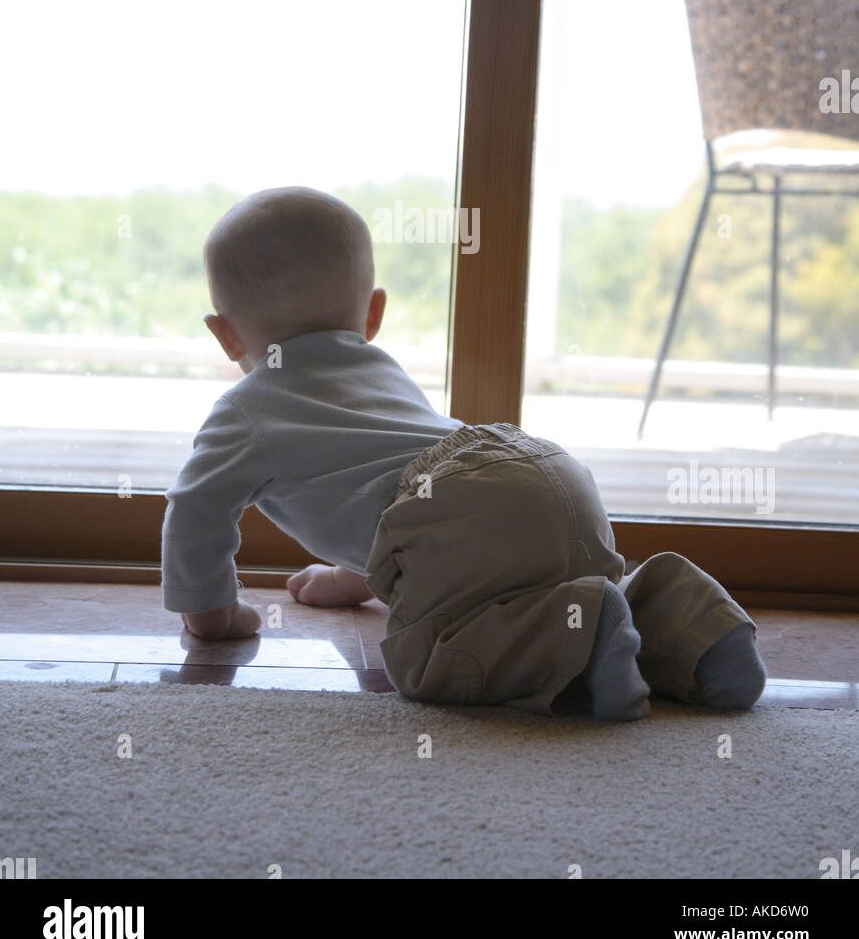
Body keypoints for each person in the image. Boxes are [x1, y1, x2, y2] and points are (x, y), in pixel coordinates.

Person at [161, 187, 766, 720]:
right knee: (562, 585)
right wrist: (351, 581)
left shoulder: (246, 409)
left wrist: (211, 615)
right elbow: (390, 484)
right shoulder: (380, 371)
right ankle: (689, 623)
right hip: (537, 468)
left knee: (430, 655)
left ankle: (577, 648)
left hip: (455, 506)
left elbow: (195, 511)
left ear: (225, 334)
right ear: (372, 314)